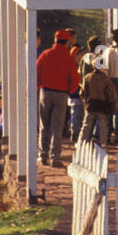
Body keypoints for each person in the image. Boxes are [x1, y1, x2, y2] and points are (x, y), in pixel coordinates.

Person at [36, 29, 79, 166]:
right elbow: (75, 78)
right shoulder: (69, 57)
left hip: (45, 92)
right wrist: (70, 90)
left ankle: (42, 155)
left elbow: (36, 71)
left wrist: (37, 86)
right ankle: (55, 157)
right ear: (67, 42)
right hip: (61, 94)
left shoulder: (45, 54)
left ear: (55, 40)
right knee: (57, 126)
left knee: (44, 125)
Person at [78, 52, 117, 145]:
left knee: (86, 125)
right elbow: (111, 94)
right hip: (102, 105)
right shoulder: (106, 79)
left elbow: (82, 92)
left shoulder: (87, 77)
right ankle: (103, 143)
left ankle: (80, 143)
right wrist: (112, 105)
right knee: (103, 126)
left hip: (90, 104)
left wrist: (85, 101)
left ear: (93, 66)